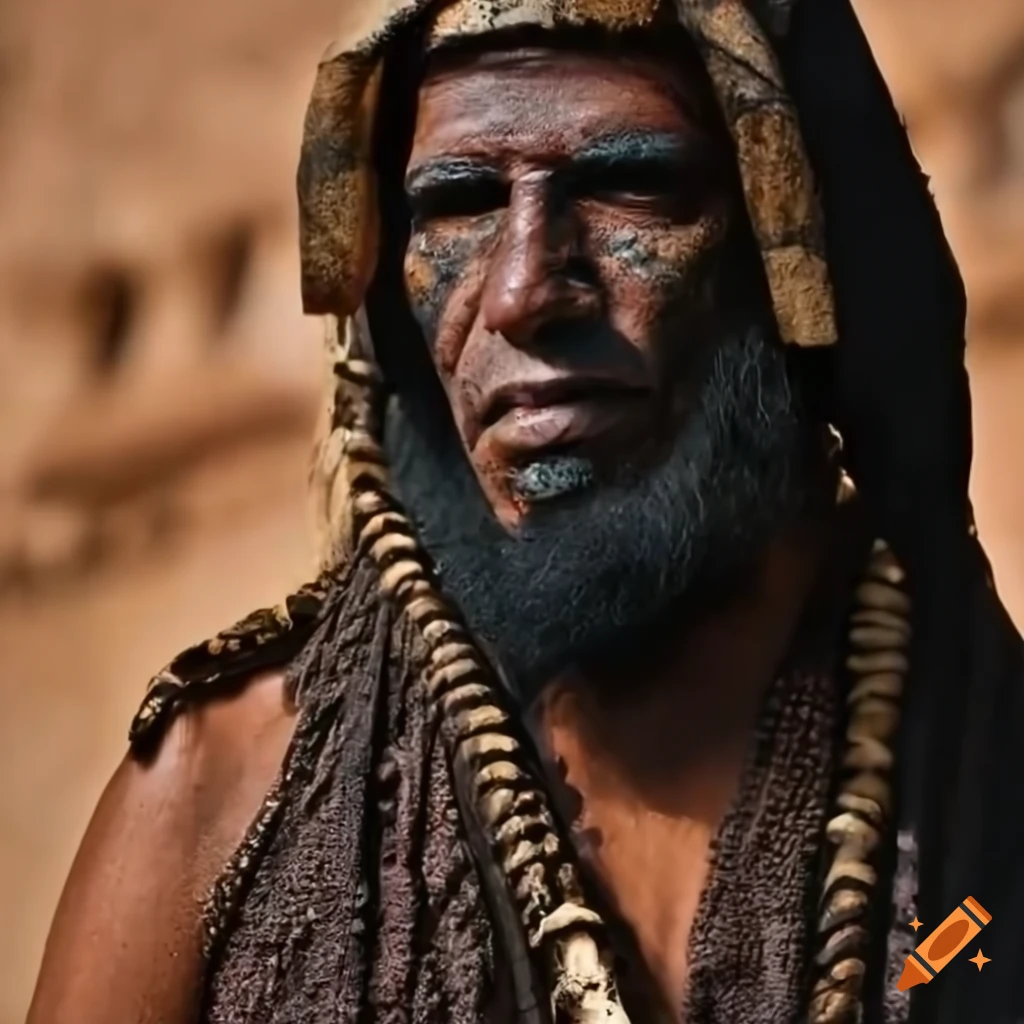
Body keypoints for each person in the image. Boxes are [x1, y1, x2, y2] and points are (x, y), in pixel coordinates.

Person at [27, 0, 1024, 1022]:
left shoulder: (980, 777)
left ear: (792, 254)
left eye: (629, 184)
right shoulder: (212, 805)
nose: (517, 293)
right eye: (458, 203)